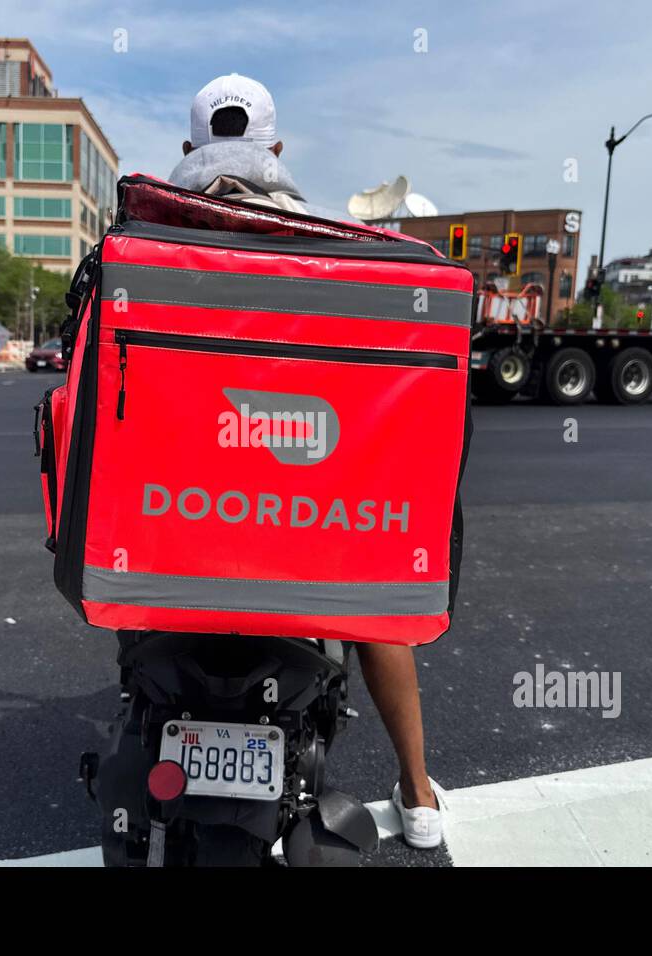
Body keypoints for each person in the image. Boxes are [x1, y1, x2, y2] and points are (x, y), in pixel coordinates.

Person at [168, 74, 447, 849]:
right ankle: (418, 795)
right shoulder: (330, 245)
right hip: (303, 501)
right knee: (377, 604)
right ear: (277, 150)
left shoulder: (147, 234)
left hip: (181, 504)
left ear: (189, 149)